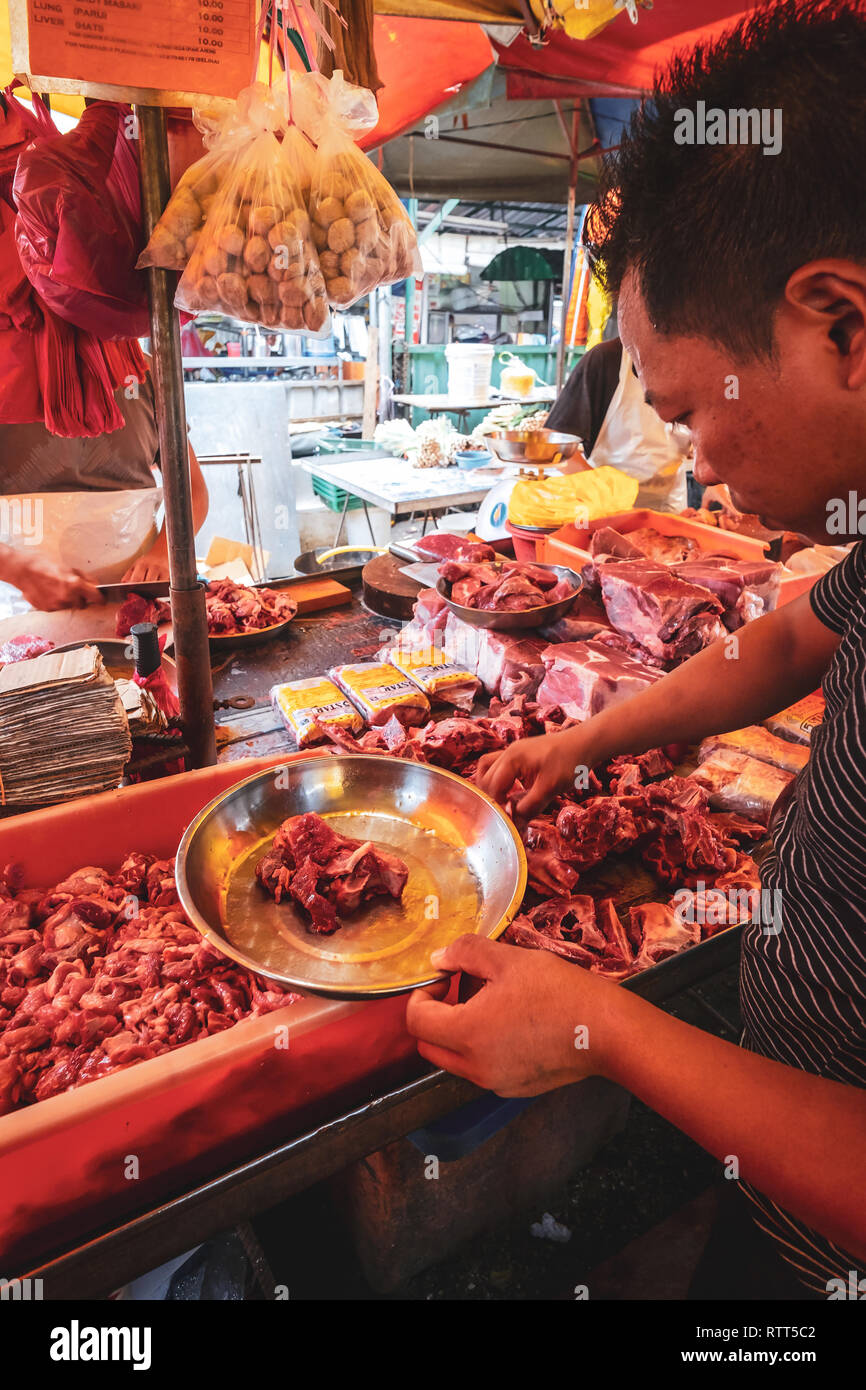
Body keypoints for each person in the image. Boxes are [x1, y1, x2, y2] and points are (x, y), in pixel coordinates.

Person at [407, 0, 866, 1297]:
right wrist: (588, 734)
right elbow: (785, 636)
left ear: (838, 319)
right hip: (775, 1200)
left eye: (688, 417)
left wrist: (595, 1022)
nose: (695, 473)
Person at [0, 365, 208, 611]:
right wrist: (19, 570)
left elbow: (193, 492)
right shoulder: (7, 366)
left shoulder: (146, 371)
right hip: (23, 609)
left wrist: (164, 552)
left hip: (139, 604)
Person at [546, 335, 691, 511]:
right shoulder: (605, 359)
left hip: (671, 511)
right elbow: (553, 442)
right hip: (606, 512)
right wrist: (603, 492)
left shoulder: (695, 364)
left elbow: (707, 434)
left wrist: (717, 485)